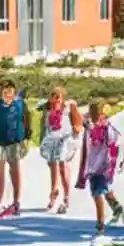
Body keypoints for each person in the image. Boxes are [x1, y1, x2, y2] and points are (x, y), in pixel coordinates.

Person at [76, 101, 124, 244]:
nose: (94, 118)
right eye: (93, 115)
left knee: (97, 194)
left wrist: (112, 165)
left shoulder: (108, 129)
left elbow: (114, 143)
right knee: (104, 191)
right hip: (93, 167)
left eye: (97, 115)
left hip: (104, 167)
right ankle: (117, 207)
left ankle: (100, 224)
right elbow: (80, 119)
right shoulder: (90, 126)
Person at [0, 79, 32, 219]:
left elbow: (27, 118)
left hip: (15, 140)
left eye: (10, 91)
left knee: (14, 169)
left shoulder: (19, 104)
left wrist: (27, 136)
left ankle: (16, 201)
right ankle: (0, 198)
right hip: (0, 141)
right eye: (5, 91)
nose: (8, 93)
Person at [38, 87, 83, 215]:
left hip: (66, 140)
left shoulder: (69, 108)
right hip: (52, 140)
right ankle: (54, 192)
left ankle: (66, 196)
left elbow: (78, 123)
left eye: (59, 96)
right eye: (54, 95)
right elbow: (44, 127)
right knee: (53, 166)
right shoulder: (47, 110)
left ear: (63, 97)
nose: (56, 98)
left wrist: (76, 130)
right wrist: (43, 143)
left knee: (62, 167)